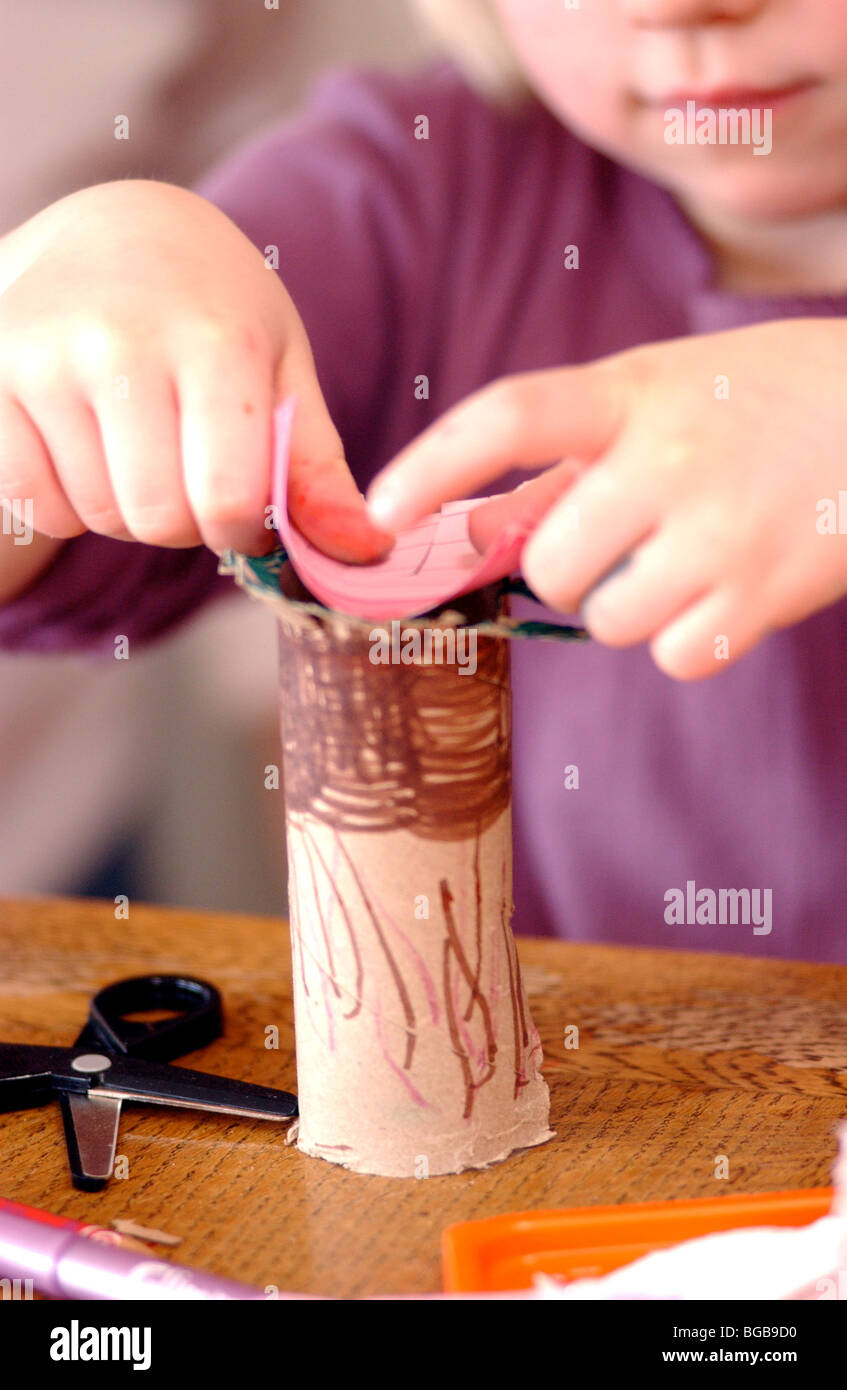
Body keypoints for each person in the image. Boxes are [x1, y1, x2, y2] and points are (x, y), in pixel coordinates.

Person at [1, 0, 845, 960]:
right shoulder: (407, 187)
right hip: (599, 1094)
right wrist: (80, 277)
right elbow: (52, 541)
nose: (681, 6)